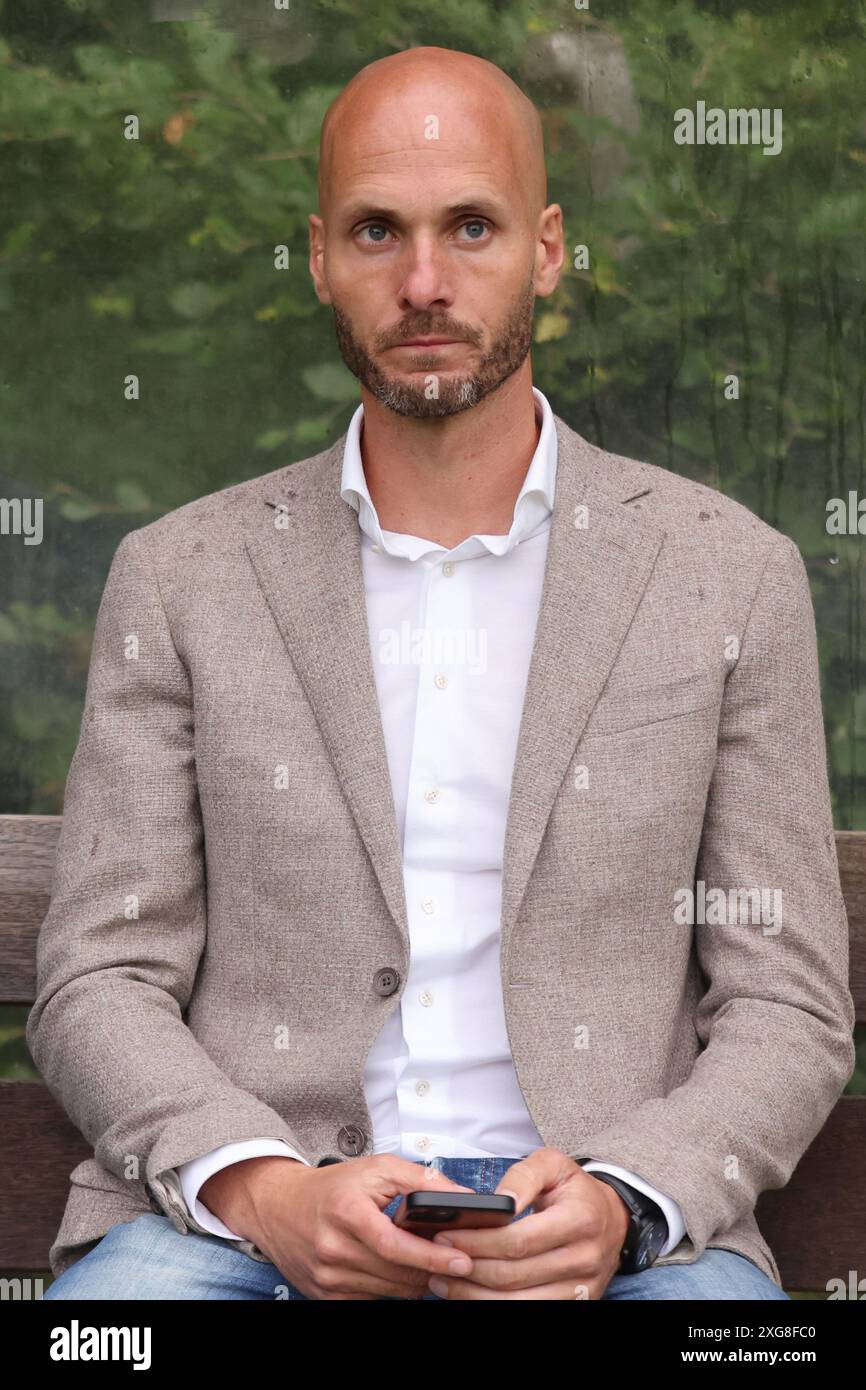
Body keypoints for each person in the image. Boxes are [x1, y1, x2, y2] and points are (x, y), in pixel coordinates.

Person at [32, 46, 853, 1301]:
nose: (423, 281)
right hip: (238, 1230)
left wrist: (626, 1205)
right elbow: (100, 972)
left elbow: (787, 1000)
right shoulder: (180, 575)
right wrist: (266, 1191)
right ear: (318, 258)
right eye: (377, 232)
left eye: (470, 225)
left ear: (545, 247)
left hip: (615, 1238)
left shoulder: (724, 575)